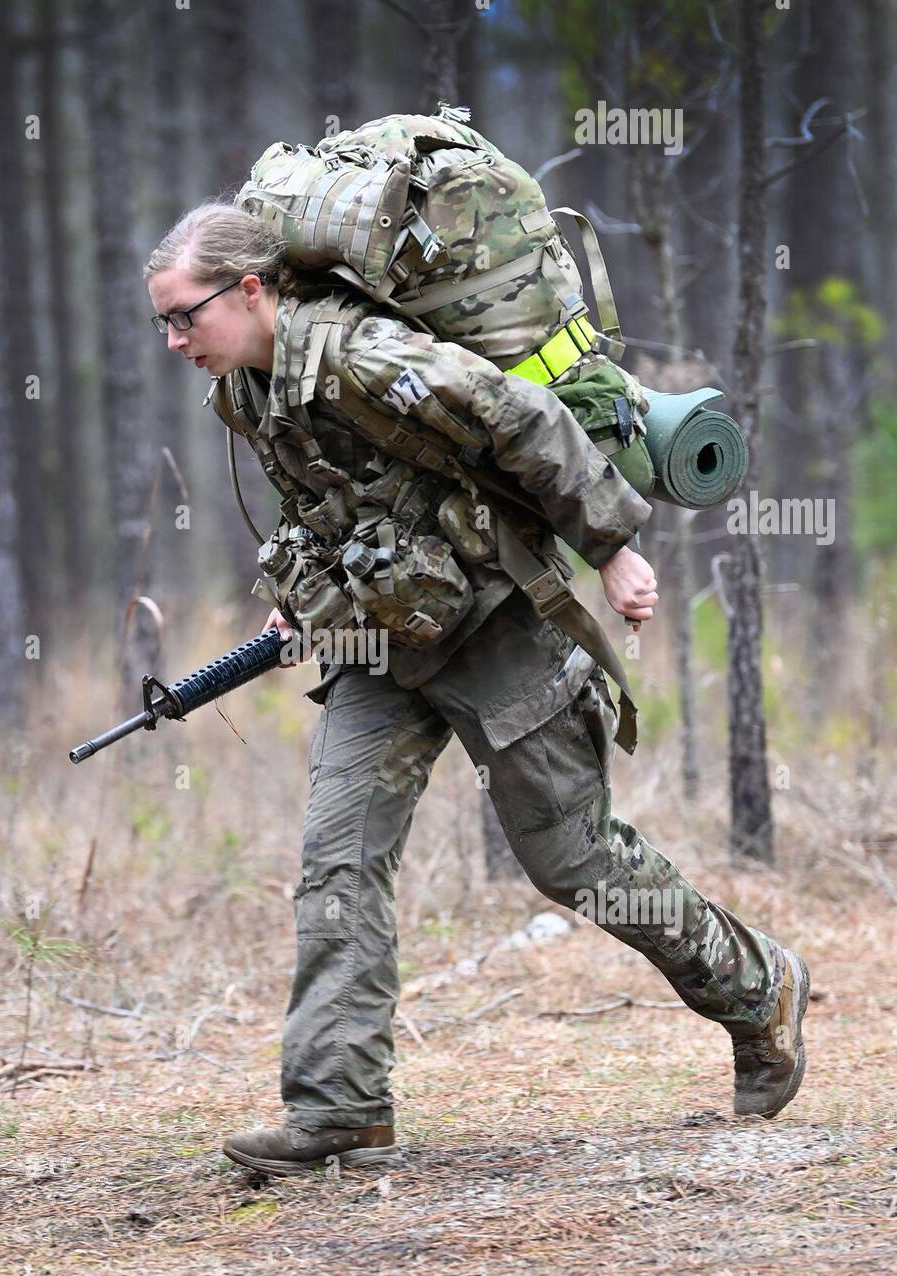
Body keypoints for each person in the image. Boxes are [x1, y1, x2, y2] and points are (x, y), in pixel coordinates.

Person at [145, 202, 810, 1177]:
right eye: (159, 323)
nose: (172, 341)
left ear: (251, 290)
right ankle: (339, 1110)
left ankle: (757, 989)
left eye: (183, 316)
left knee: (572, 858)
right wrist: (294, 598)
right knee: (339, 857)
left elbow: (521, 421)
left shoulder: (364, 359)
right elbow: (317, 503)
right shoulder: (247, 390)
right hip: (381, 635)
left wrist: (613, 547)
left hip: (496, 622)